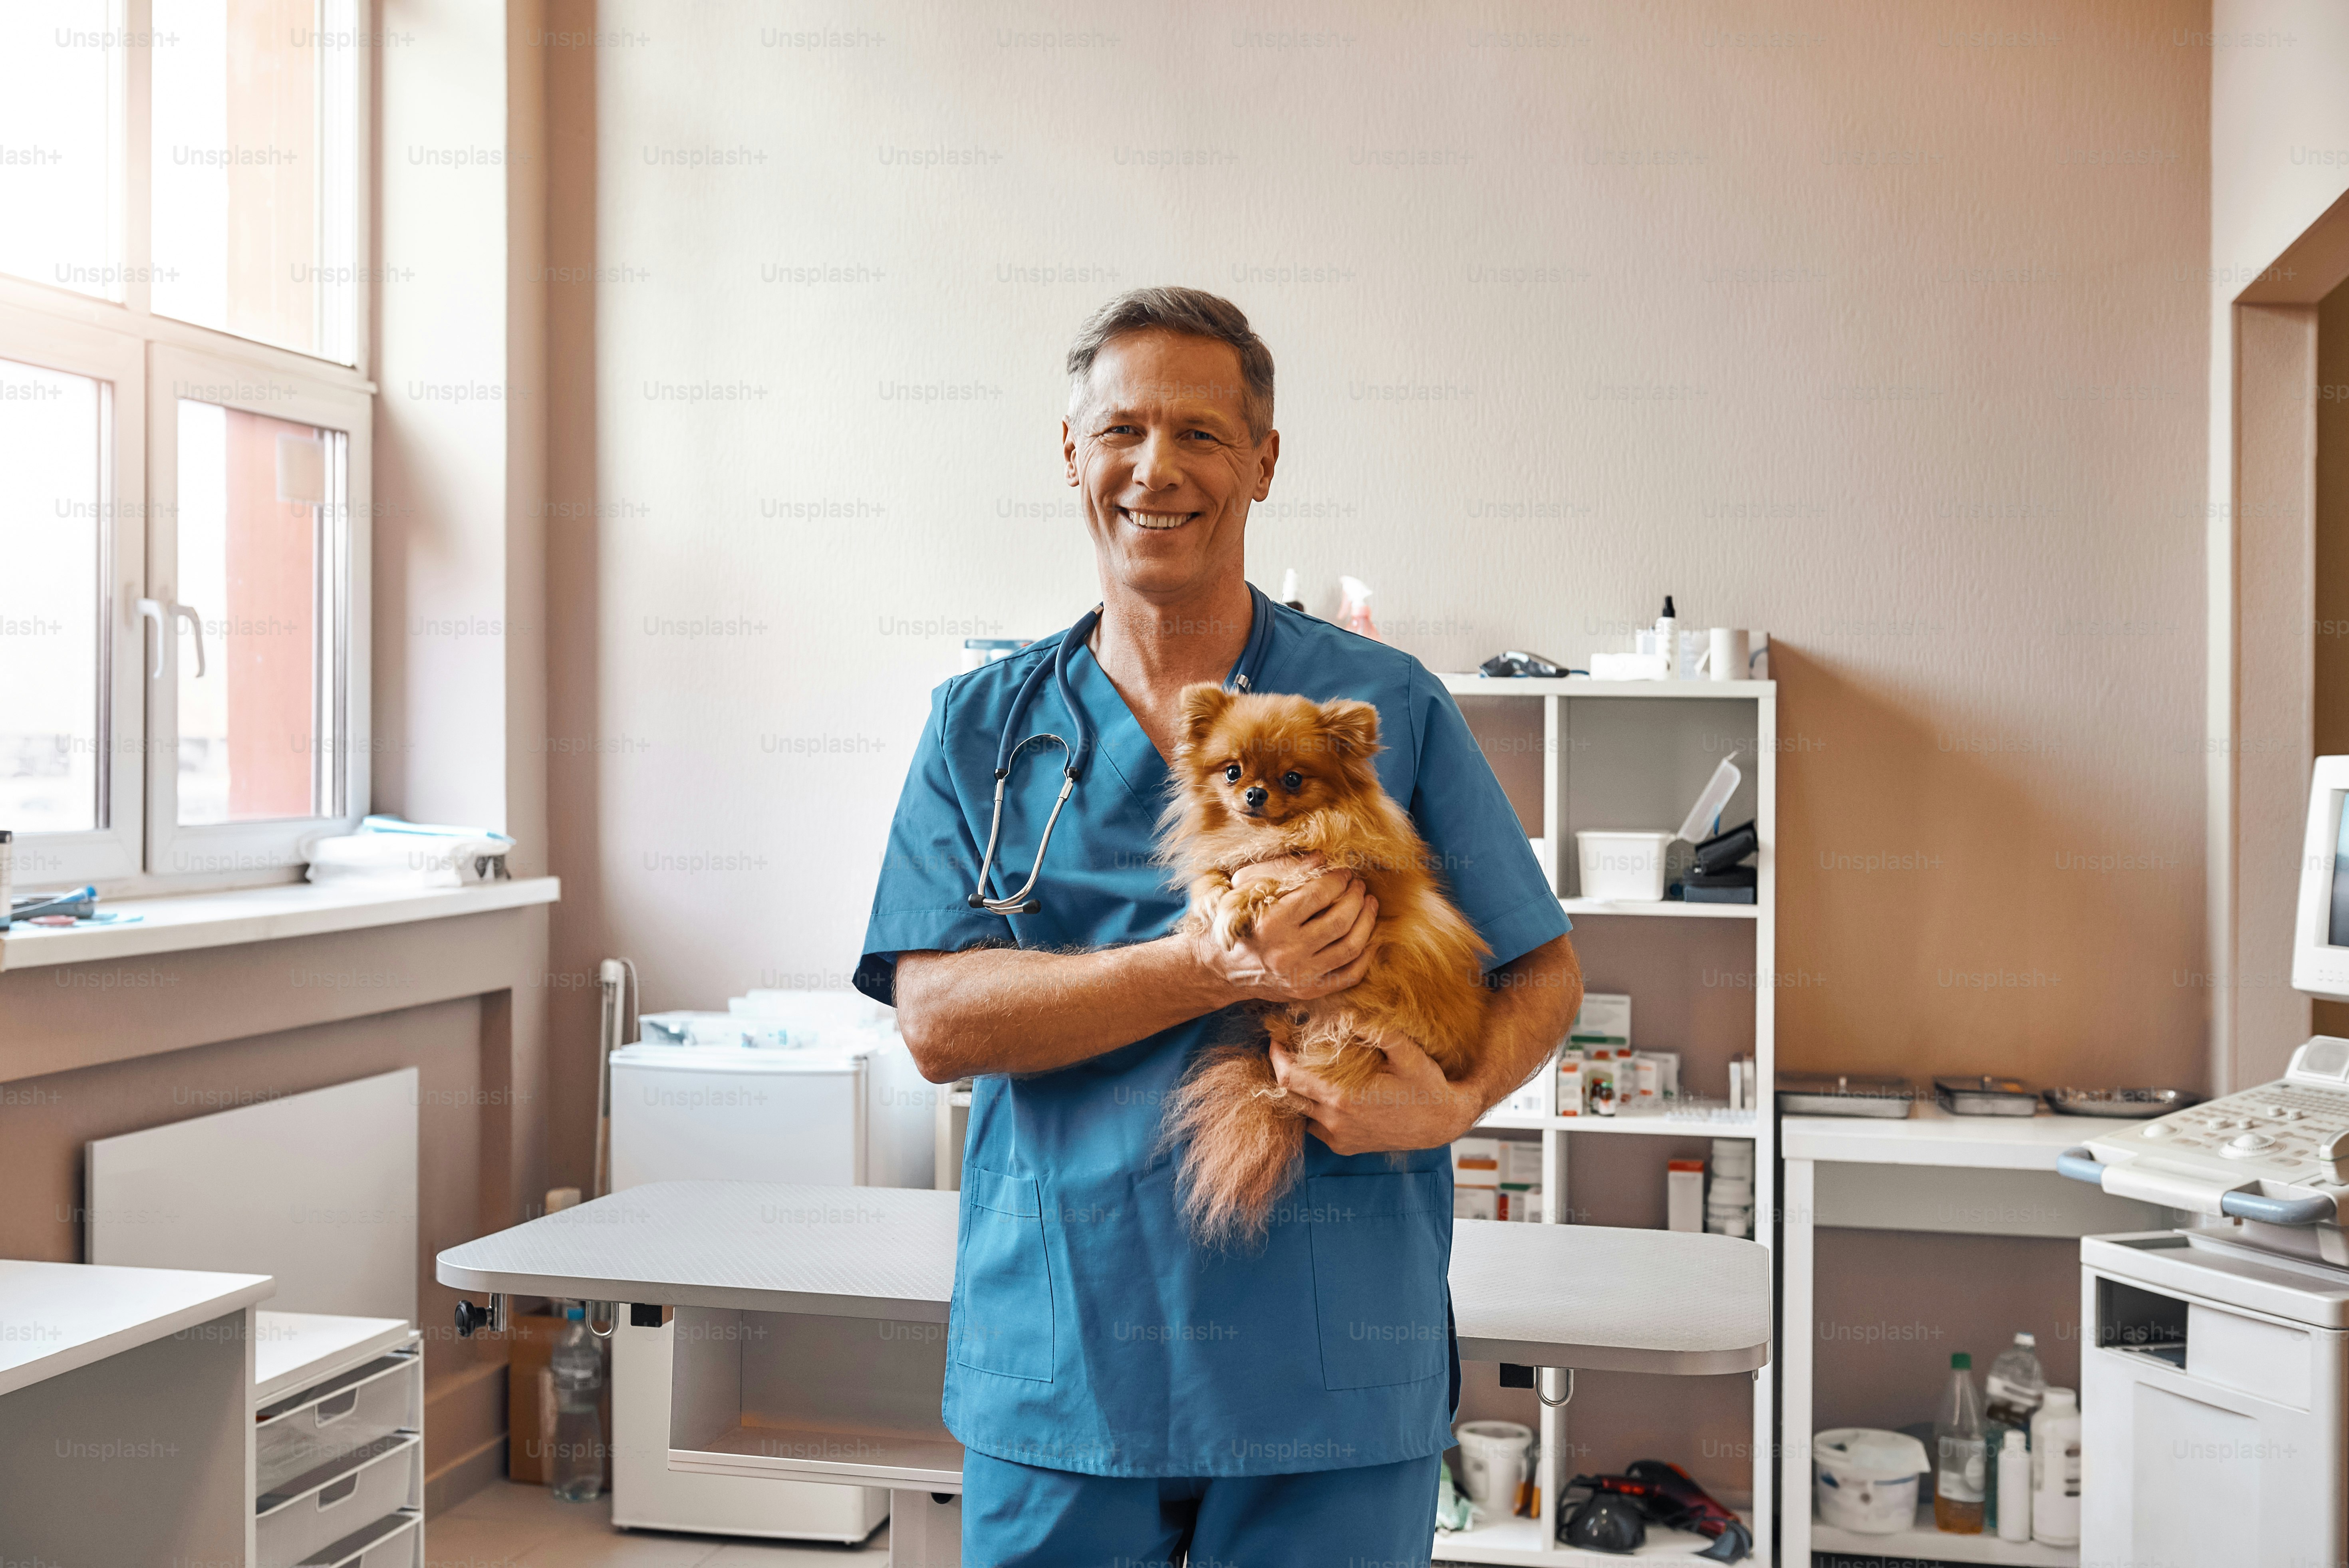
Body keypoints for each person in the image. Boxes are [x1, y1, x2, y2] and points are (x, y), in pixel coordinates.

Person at [854, 286, 1583, 1566]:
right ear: (1070, 452)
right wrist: (1206, 967)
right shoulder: (980, 728)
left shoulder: (1384, 705)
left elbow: (1544, 966)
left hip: (1328, 1362)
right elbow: (936, 1024)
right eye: (1122, 429)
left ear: (1262, 461)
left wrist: (1456, 1103)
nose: (1157, 469)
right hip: (1068, 1364)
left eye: (1199, 433)